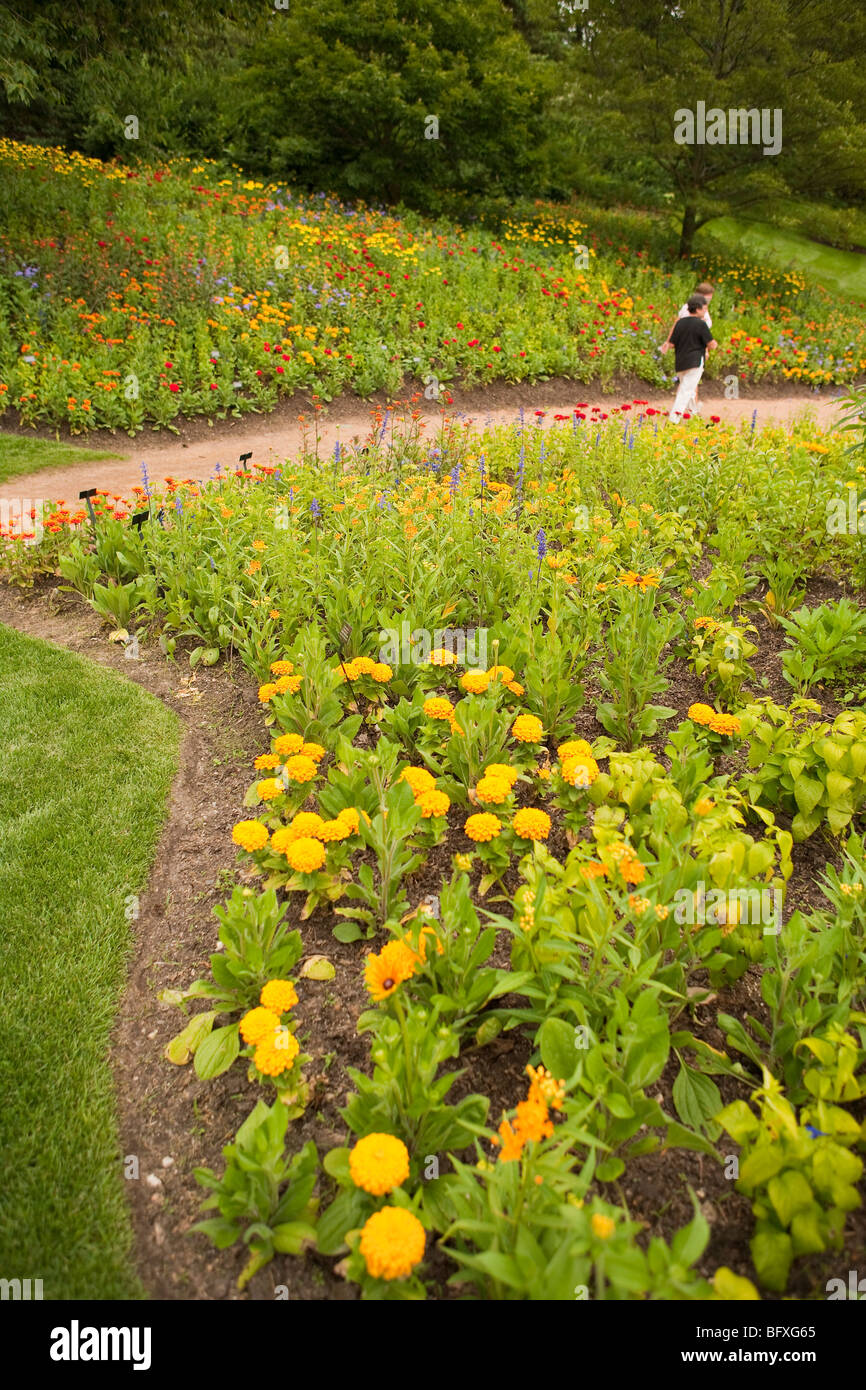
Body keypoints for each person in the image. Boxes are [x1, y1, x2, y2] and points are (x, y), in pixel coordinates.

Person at [660, 281, 714, 406]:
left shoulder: (702, 309)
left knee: (691, 382)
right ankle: (681, 410)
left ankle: (691, 409)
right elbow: (683, 327)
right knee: (689, 381)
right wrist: (668, 342)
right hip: (691, 348)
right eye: (707, 299)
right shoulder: (691, 310)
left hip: (697, 347)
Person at [665, 295, 717, 423]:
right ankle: (673, 419)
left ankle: (694, 416)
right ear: (698, 309)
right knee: (686, 391)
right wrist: (713, 345)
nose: (705, 312)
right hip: (695, 361)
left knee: (688, 390)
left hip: (681, 361)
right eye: (704, 309)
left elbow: (672, 343)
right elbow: (711, 344)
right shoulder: (701, 324)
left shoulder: (680, 323)